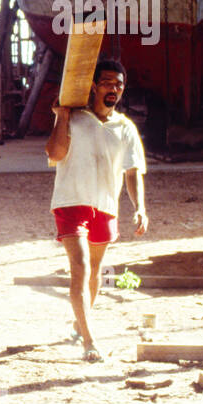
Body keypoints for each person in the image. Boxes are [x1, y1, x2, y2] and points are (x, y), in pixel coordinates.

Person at [45, 59, 148, 363]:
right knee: (80, 267)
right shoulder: (75, 119)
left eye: (118, 84)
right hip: (71, 202)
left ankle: (79, 324)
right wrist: (62, 116)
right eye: (107, 83)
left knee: (94, 274)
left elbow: (132, 172)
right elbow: (54, 153)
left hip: (105, 206)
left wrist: (140, 206)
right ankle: (89, 341)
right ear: (93, 86)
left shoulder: (126, 128)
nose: (113, 89)